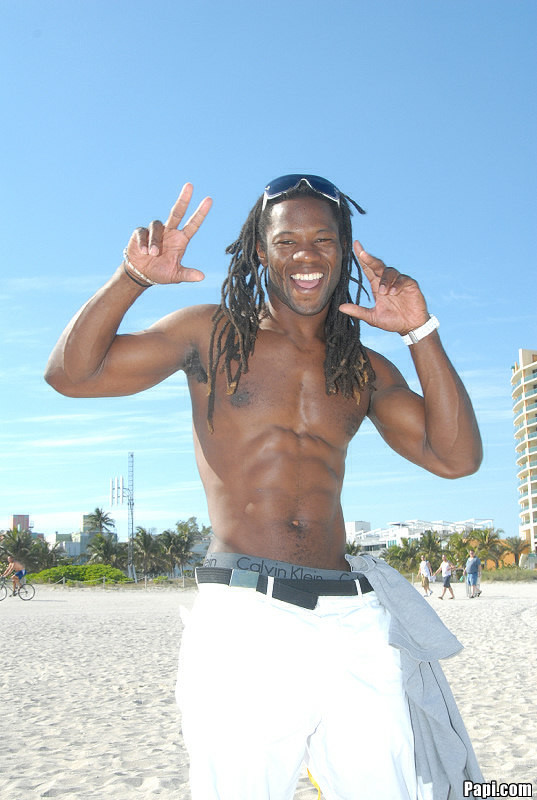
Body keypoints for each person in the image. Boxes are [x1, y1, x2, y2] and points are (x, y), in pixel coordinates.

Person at [45, 176, 484, 799]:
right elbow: (71, 375)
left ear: (343, 248)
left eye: (323, 240)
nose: (306, 255)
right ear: (260, 250)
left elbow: (457, 457)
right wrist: (132, 278)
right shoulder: (212, 333)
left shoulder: (361, 366)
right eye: (288, 240)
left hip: (352, 618)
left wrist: (420, 332)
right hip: (246, 617)